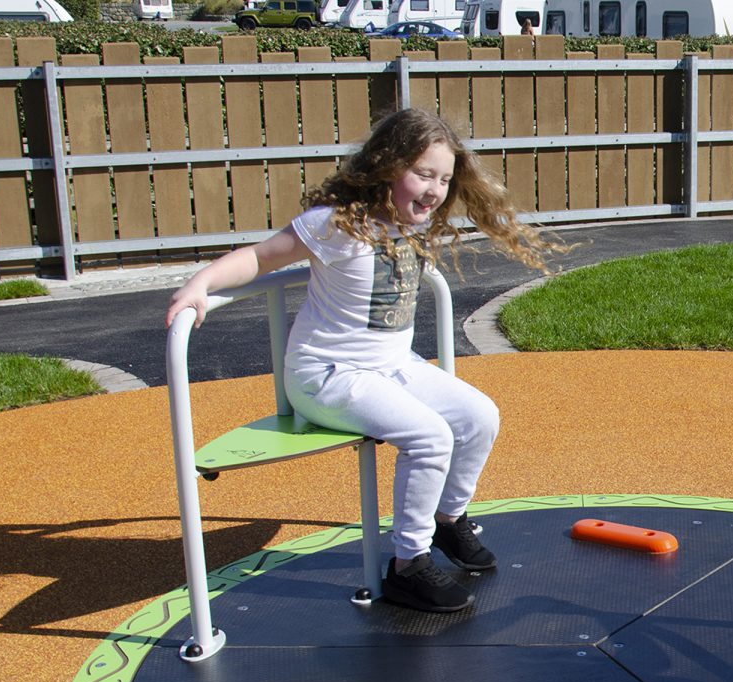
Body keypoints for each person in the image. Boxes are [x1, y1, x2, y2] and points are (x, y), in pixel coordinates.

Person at [165, 108, 555, 614]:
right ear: (387, 167)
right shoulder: (337, 224)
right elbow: (261, 258)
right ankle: (408, 565)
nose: (434, 189)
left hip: (394, 365)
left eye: (443, 178)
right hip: (328, 375)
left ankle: (445, 519)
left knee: (479, 416)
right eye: (422, 174)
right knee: (430, 436)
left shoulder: (411, 223)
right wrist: (200, 285)